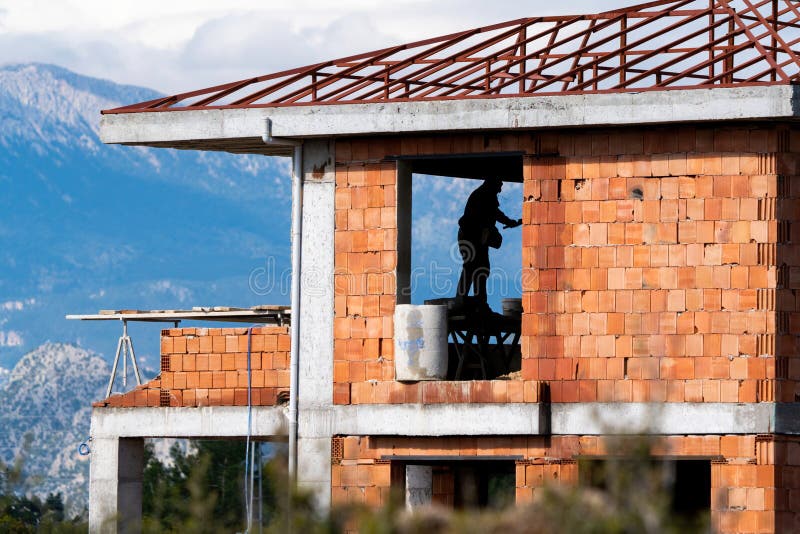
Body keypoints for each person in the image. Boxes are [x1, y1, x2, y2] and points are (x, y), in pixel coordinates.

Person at [456, 177, 521, 307]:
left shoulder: (485, 194)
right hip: (470, 236)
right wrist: (510, 222)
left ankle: (478, 301)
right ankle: (464, 302)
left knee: (480, 268)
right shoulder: (484, 195)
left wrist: (510, 222)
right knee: (472, 267)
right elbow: (495, 213)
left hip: (476, 236)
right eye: (499, 185)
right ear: (493, 184)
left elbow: (495, 214)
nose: (500, 190)